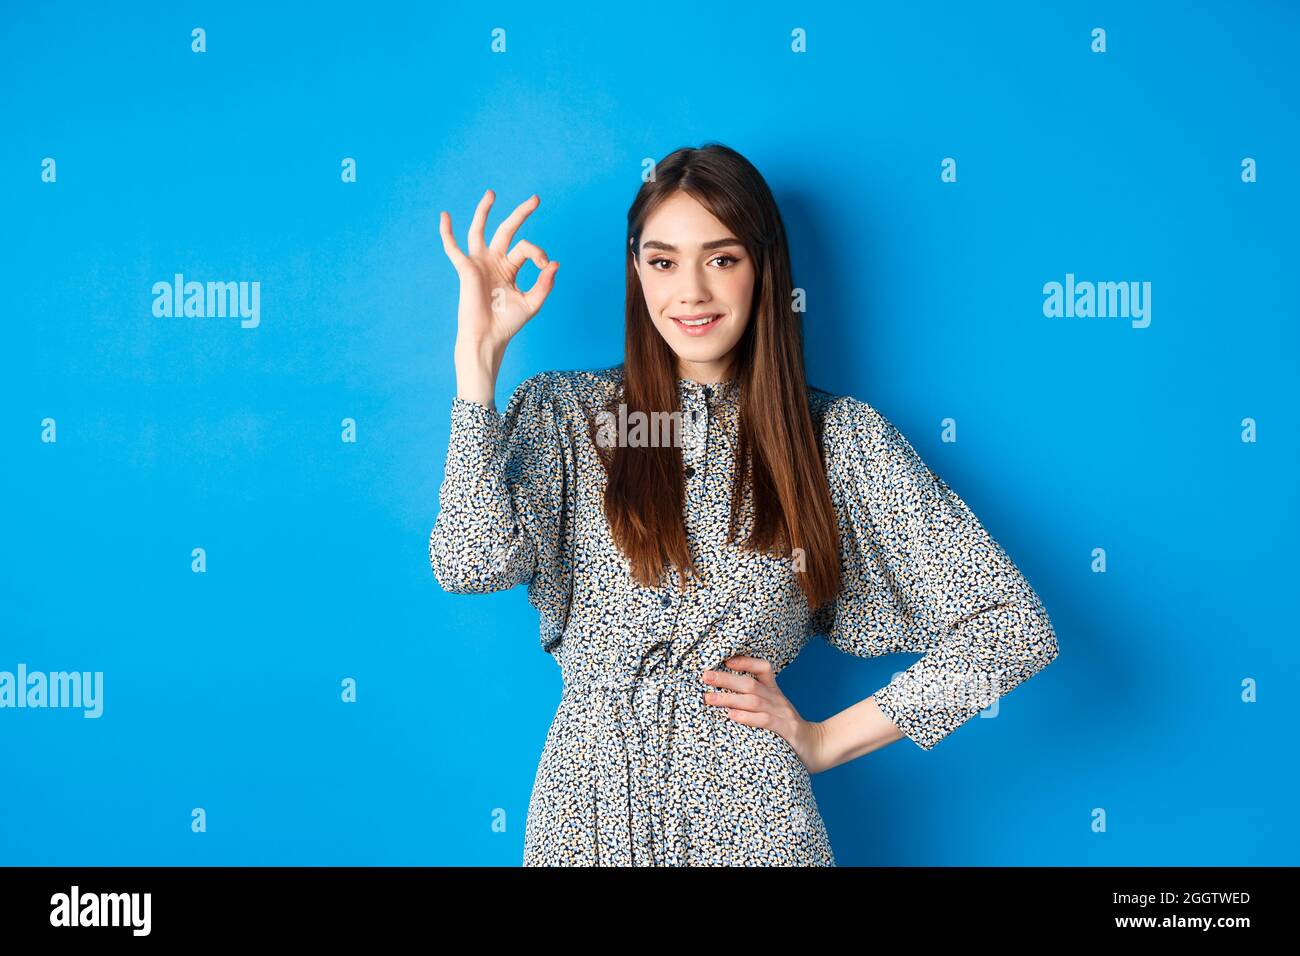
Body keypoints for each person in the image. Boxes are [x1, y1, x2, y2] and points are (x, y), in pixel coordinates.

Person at [429, 143, 1059, 866]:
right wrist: (476, 364)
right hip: (586, 811)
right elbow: (469, 562)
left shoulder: (837, 440)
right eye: (663, 261)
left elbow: (1013, 629)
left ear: (764, 270)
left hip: (752, 816)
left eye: (721, 259)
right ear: (636, 271)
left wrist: (825, 739)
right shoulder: (568, 412)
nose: (690, 292)